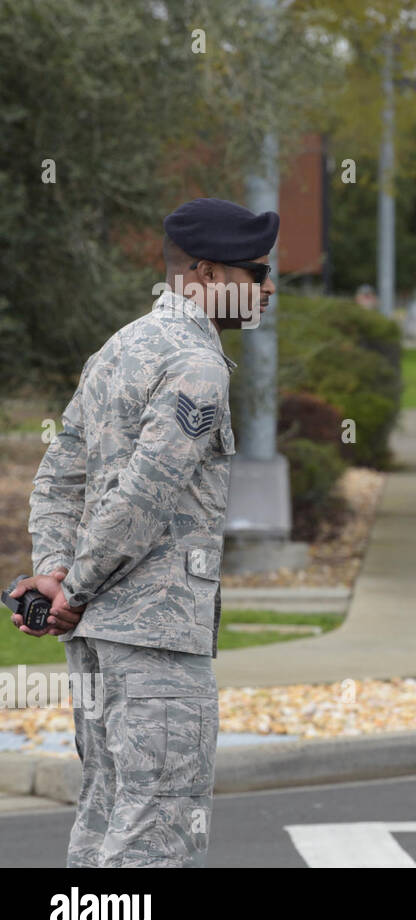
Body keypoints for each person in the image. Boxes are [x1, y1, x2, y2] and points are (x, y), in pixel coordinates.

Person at [15, 197, 278, 867]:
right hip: (154, 640)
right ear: (208, 273)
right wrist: (71, 586)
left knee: (107, 816)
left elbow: (56, 479)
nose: (269, 288)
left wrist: (54, 574)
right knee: (156, 831)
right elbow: (147, 492)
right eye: (257, 273)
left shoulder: (119, 348)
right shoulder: (198, 365)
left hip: (99, 641)